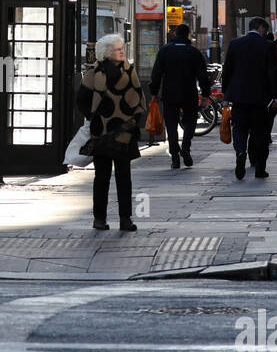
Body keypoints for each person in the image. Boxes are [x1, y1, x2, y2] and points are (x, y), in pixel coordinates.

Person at [76, 33, 146, 232]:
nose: (122, 51)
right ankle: (99, 218)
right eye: (117, 49)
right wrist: (94, 118)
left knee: (124, 177)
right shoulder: (93, 73)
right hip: (102, 134)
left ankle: (125, 219)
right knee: (102, 177)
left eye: (122, 48)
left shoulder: (129, 71)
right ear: (107, 53)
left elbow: (139, 99)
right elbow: (81, 100)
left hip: (125, 132)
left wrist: (133, 121)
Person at [221, 16, 277, 179]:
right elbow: (272, 73)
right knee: (260, 133)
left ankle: (241, 152)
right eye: (265, 30)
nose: (265, 33)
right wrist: (276, 97)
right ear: (260, 27)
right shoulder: (267, 46)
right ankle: (260, 169)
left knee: (239, 129)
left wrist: (226, 94)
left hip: (239, 97)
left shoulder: (235, 44)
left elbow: (227, 71)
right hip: (260, 98)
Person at [150, 23, 211, 169]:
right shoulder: (194, 52)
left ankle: (175, 157)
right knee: (190, 121)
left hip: (169, 93)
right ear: (188, 35)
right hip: (189, 92)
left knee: (171, 124)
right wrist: (205, 94)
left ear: (175, 34)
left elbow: (156, 73)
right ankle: (186, 147)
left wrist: (154, 92)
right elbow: (203, 76)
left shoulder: (165, 51)